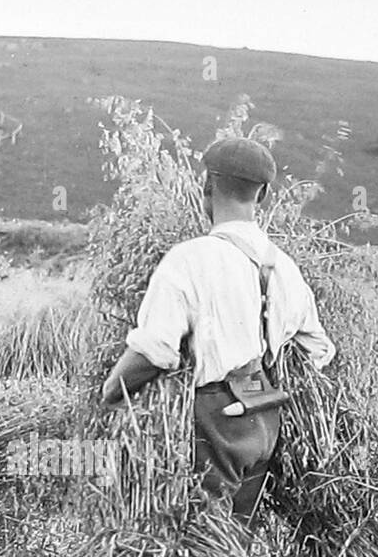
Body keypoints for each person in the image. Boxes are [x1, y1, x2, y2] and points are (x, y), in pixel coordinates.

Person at [100, 136, 336, 521]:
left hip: (218, 422)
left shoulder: (189, 260)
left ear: (206, 186)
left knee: (205, 546)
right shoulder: (286, 268)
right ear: (262, 196)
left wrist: (111, 391)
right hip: (265, 418)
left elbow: (154, 351)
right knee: (237, 544)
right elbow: (320, 349)